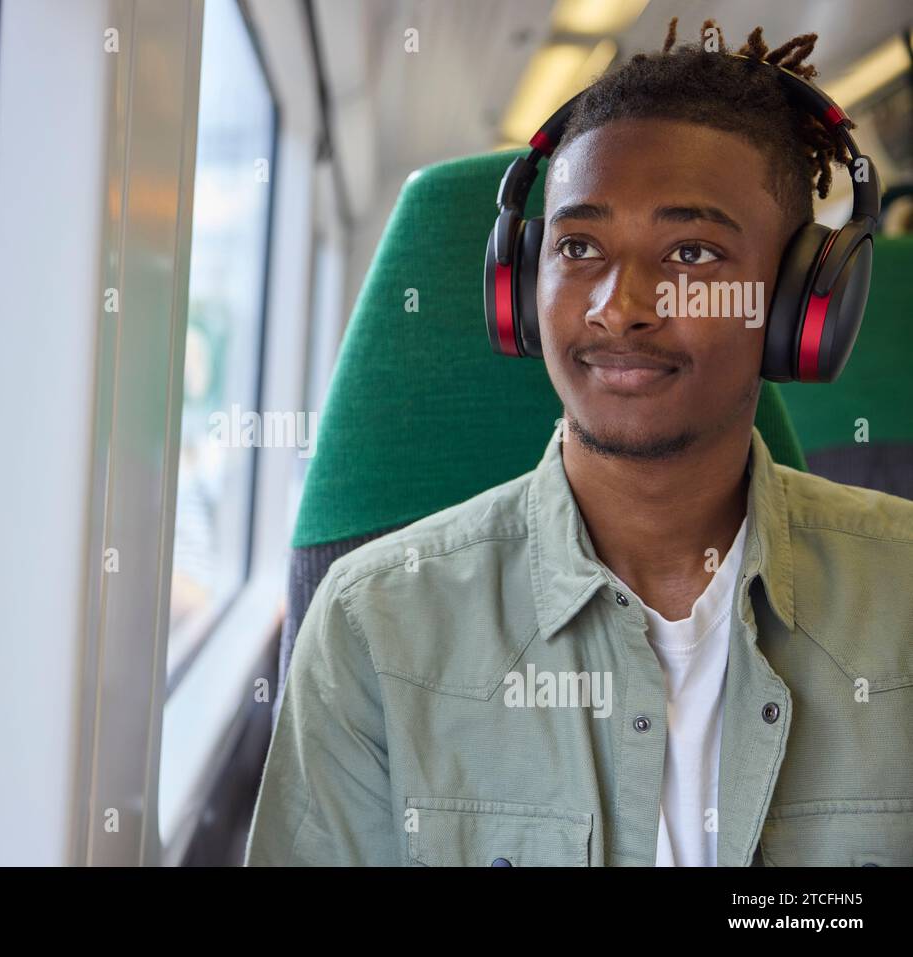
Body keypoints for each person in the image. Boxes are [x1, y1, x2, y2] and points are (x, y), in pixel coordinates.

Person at [244, 19, 913, 867]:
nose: (618, 305)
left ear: (796, 303)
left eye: (692, 252)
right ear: (522, 289)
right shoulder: (372, 624)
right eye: (579, 246)